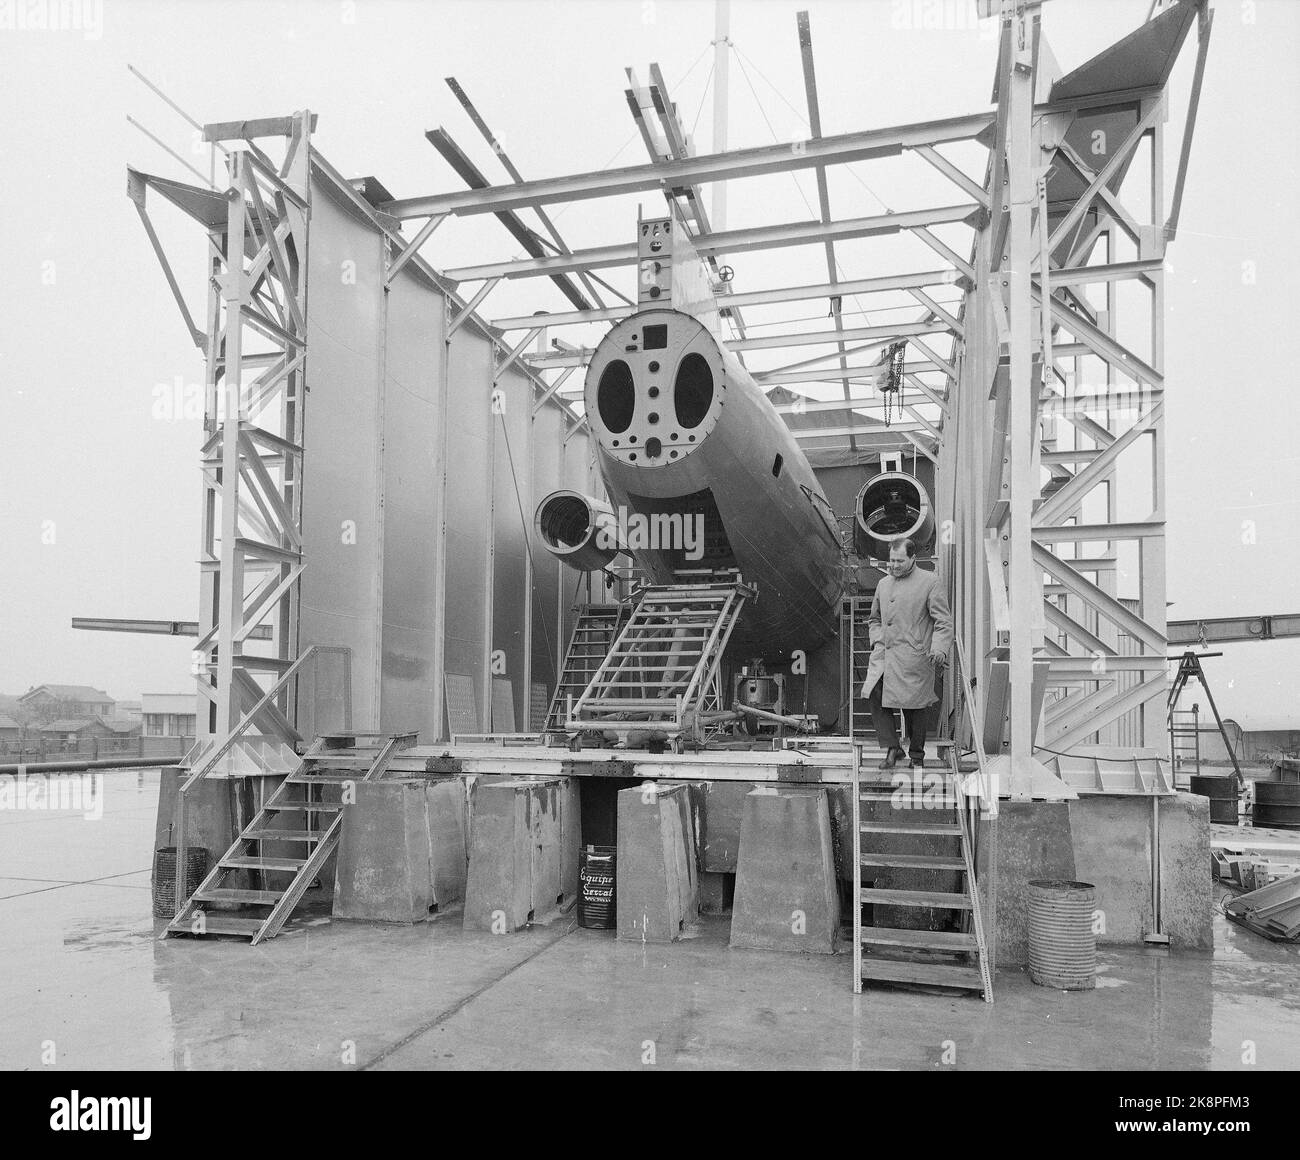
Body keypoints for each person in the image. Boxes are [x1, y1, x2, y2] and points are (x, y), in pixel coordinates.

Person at [861, 536, 953, 770]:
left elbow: (943, 621)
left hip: (915, 656)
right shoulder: (883, 584)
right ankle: (893, 747)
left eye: (899, 561)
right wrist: (876, 640)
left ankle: (917, 756)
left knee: (914, 708)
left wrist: (939, 648)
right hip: (885, 656)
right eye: (891, 561)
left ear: (913, 558)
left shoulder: (930, 582)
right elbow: (874, 619)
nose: (894, 565)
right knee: (875, 694)